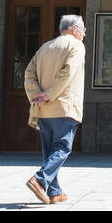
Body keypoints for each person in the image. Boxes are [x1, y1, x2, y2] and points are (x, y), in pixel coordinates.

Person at [24, 13, 86, 204]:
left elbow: (29, 73)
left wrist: (37, 96)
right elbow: (67, 73)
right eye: (83, 29)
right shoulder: (76, 45)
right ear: (75, 29)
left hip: (43, 110)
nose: (84, 33)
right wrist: (49, 94)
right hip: (64, 106)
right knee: (62, 148)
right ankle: (40, 180)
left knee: (49, 150)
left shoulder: (44, 47)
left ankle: (55, 192)